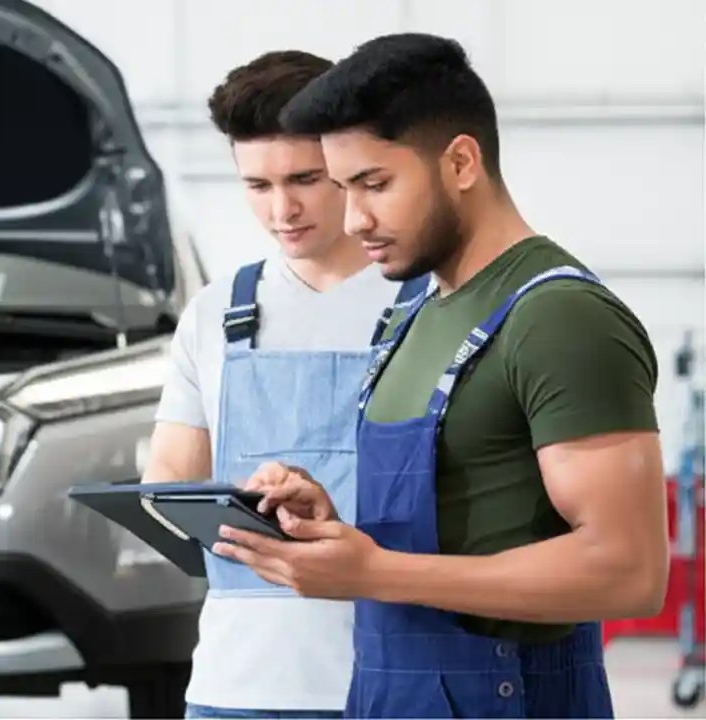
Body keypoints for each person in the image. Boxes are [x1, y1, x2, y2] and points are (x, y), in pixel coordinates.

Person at [212, 33, 670, 718]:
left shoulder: (560, 318)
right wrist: (333, 528)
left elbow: (628, 572)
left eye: (376, 184)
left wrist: (378, 572)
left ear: (460, 162)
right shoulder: (417, 313)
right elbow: (464, 521)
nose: (355, 219)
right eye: (343, 188)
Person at [141, 49, 425, 719]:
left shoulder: (433, 305)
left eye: (304, 179)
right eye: (257, 185)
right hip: (234, 687)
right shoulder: (215, 314)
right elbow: (170, 485)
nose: (282, 209)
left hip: (392, 678)